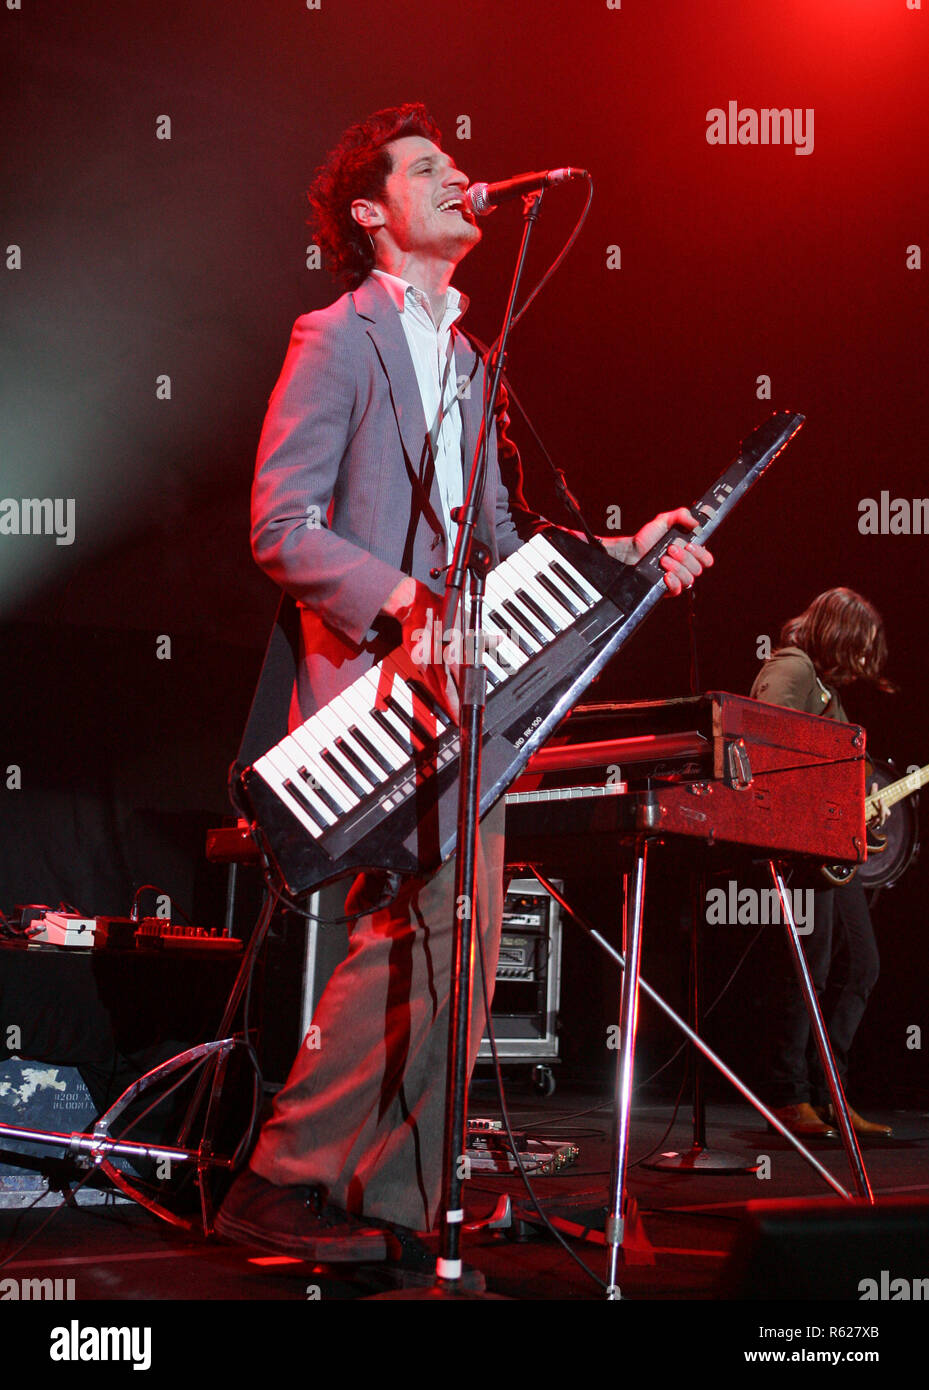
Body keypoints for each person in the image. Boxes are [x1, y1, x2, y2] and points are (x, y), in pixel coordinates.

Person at [215, 103, 711, 1263]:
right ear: (370, 211)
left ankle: (382, 1203)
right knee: (418, 927)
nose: (460, 180)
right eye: (428, 169)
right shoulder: (335, 336)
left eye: (456, 164)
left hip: (466, 706)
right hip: (378, 690)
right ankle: (284, 1174)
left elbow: (498, 540)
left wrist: (627, 552)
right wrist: (403, 600)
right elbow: (280, 527)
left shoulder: (474, 363)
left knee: (462, 938)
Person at [751, 587, 894, 1139]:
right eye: (858, 648)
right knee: (805, 970)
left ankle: (832, 1092)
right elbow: (767, 742)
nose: (862, 663)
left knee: (861, 965)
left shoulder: (825, 687)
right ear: (837, 635)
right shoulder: (791, 666)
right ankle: (789, 1096)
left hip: (831, 851)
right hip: (800, 851)